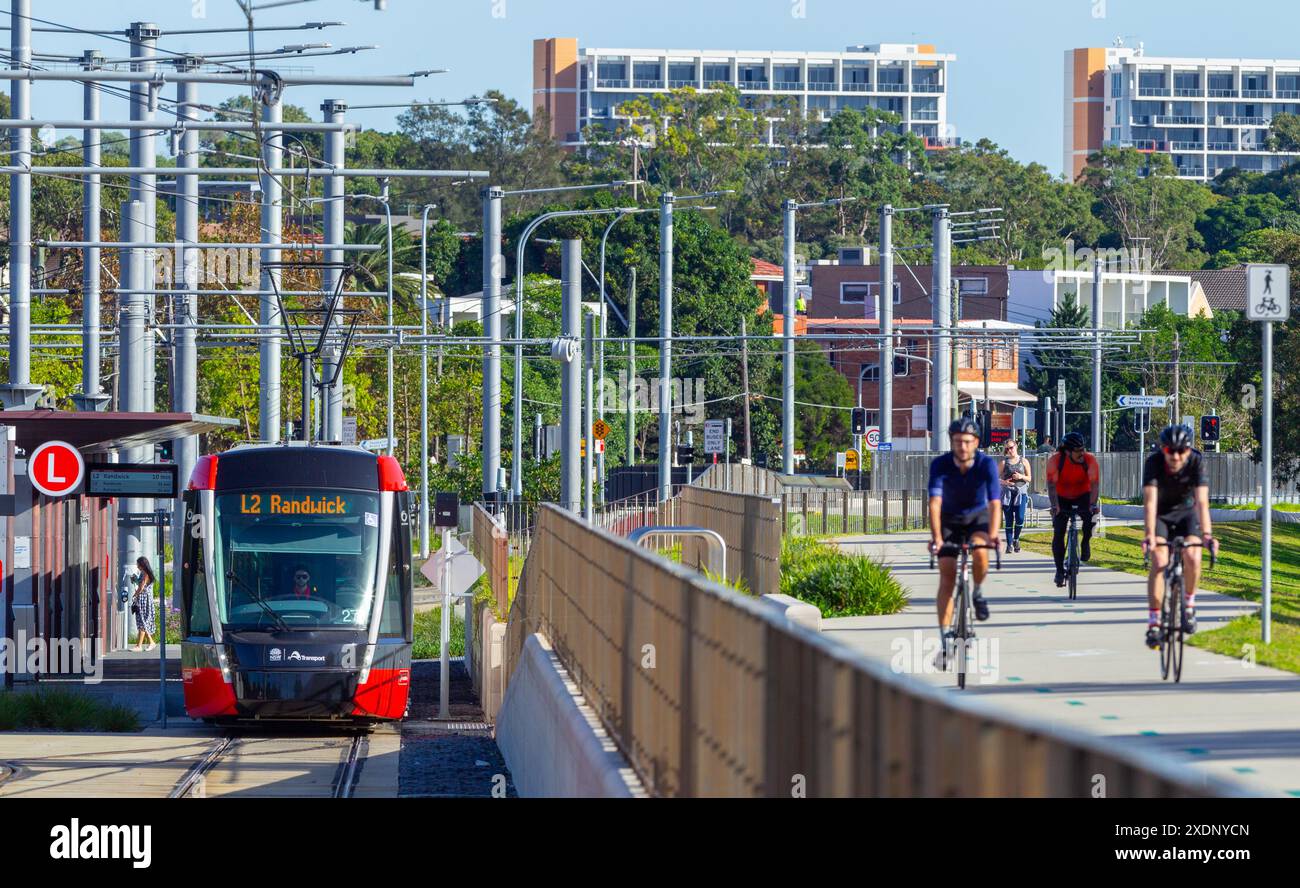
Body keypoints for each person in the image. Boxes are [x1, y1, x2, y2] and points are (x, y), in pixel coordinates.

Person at [928, 417, 1002, 655]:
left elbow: (994, 503)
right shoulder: (940, 465)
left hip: (976, 518)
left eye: (967, 442)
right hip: (949, 519)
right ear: (951, 442)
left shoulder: (986, 464)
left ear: (976, 442)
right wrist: (937, 538)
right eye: (958, 442)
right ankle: (945, 637)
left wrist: (993, 535)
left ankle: (977, 591)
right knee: (947, 574)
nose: (962, 447)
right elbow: (935, 503)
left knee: (980, 552)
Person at [1141, 424, 1217, 649]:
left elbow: (1202, 502)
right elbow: (1150, 502)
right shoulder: (1153, 463)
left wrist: (1207, 535)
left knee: (1193, 557)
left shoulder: (1196, 461)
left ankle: (1189, 605)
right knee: (1160, 561)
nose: (1175, 456)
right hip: (1162, 515)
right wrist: (1149, 535)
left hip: (1187, 513)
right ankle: (1154, 622)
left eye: (1180, 451)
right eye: (1169, 451)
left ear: (1188, 450)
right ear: (1162, 450)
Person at [1045, 431, 1100, 587]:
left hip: (1083, 495)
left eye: (1083, 449)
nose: (1082, 453)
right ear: (1067, 451)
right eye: (1077, 451)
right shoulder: (1055, 461)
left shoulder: (1089, 460)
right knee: (1059, 531)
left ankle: (1085, 542)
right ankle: (1059, 570)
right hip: (1061, 497)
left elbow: (1095, 484)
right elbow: (1051, 486)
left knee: (1090, 519)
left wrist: (1093, 504)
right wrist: (1055, 506)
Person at [1000, 438, 1032, 553]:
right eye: (1007, 449)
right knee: (1009, 520)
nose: (1009, 450)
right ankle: (1009, 545)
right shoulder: (1004, 462)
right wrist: (1005, 482)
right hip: (1008, 493)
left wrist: (1021, 477)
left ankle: (1016, 538)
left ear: (1016, 446)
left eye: (1011, 447)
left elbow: (1029, 478)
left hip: (1021, 492)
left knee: (1020, 518)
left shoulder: (1024, 461)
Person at [131, 556, 157, 652]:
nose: (137, 566)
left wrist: (135, 595)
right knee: (142, 621)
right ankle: (150, 642)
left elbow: (141, 587)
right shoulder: (144, 573)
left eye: (138, 564)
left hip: (144, 600)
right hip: (143, 599)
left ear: (142, 564)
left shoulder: (145, 574)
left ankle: (139, 646)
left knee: (142, 621)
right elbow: (141, 584)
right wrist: (135, 579)